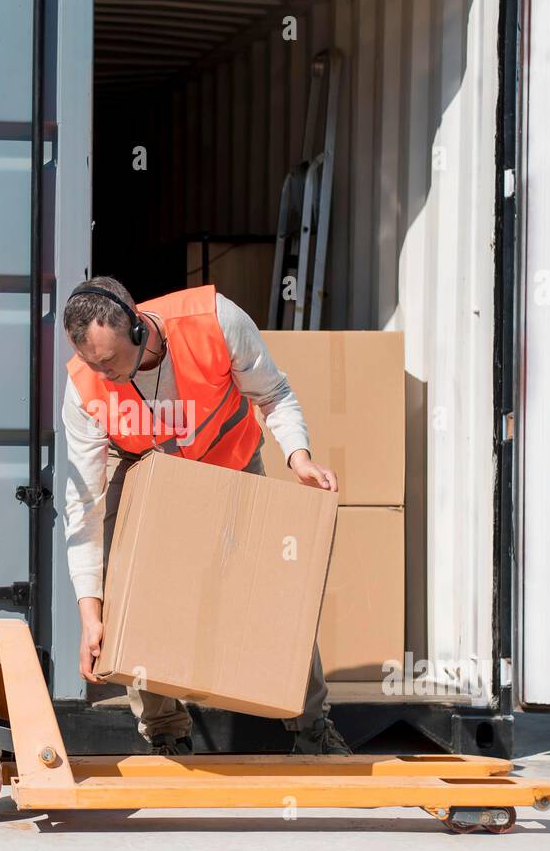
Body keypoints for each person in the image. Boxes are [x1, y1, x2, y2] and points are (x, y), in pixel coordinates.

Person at [61, 275, 352, 756]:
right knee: (133, 588)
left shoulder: (215, 321)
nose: (104, 375)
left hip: (228, 458)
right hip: (141, 465)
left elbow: (273, 393)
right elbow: (83, 506)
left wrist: (298, 456)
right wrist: (90, 613)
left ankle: (312, 726)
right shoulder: (83, 384)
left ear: (136, 329)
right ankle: (165, 731)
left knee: (273, 585)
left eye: (110, 360)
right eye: (93, 363)